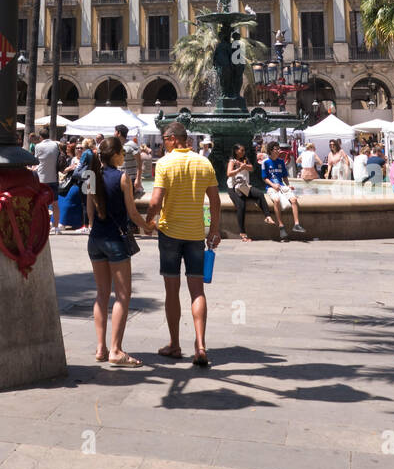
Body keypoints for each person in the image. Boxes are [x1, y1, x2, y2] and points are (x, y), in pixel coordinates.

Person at [146, 121, 221, 366]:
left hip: (169, 233)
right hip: (196, 233)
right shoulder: (204, 162)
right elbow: (215, 200)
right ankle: (200, 346)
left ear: (171, 138)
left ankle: (175, 344)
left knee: (171, 290)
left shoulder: (165, 163)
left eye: (164, 139)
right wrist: (215, 229)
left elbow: (156, 201)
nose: (163, 144)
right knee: (197, 290)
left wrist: (147, 220)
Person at [86, 136, 154, 366]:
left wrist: (97, 226)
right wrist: (148, 227)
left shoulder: (91, 175)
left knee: (101, 293)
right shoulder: (123, 177)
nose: (124, 155)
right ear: (115, 154)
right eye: (122, 152)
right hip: (115, 240)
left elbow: (89, 210)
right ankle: (116, 350)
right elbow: (133, 213)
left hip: (95, 238)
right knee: (122, 295)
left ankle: (100, 347)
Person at [226, 144, 276, 241]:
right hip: (233, 187)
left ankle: (267, 216)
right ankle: (242, 232)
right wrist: (240, 169)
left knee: (260, 194)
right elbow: (229, 173)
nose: (244, 152)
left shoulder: (245, 159)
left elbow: (251, 168)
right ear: (236, 151)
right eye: (242, 150)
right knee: (241, 205)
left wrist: (243, 165)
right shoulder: (232, 161)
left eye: (244, 150)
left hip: (244, 186)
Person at [261, 141, 307, 241]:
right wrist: (273, 185)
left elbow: (285, 176)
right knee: (276, 200)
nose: (278, 151)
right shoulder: (265, 162)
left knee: (294, 199)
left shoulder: (281, 162)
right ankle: (281, 226)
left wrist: (288, 185)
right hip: (271, 188)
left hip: (282, 186)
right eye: (276, 149)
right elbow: (264, 178)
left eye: (279, 149)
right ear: (270, 150)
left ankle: (296, 224)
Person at [33, 126, 62, 232]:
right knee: (55, 204)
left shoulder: (38, 146)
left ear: (40, 137)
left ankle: (43, 225)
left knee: (42, 204)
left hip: (42, 178)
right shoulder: (55, 145)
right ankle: (56, 227)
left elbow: (36, 161)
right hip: (53, 177)